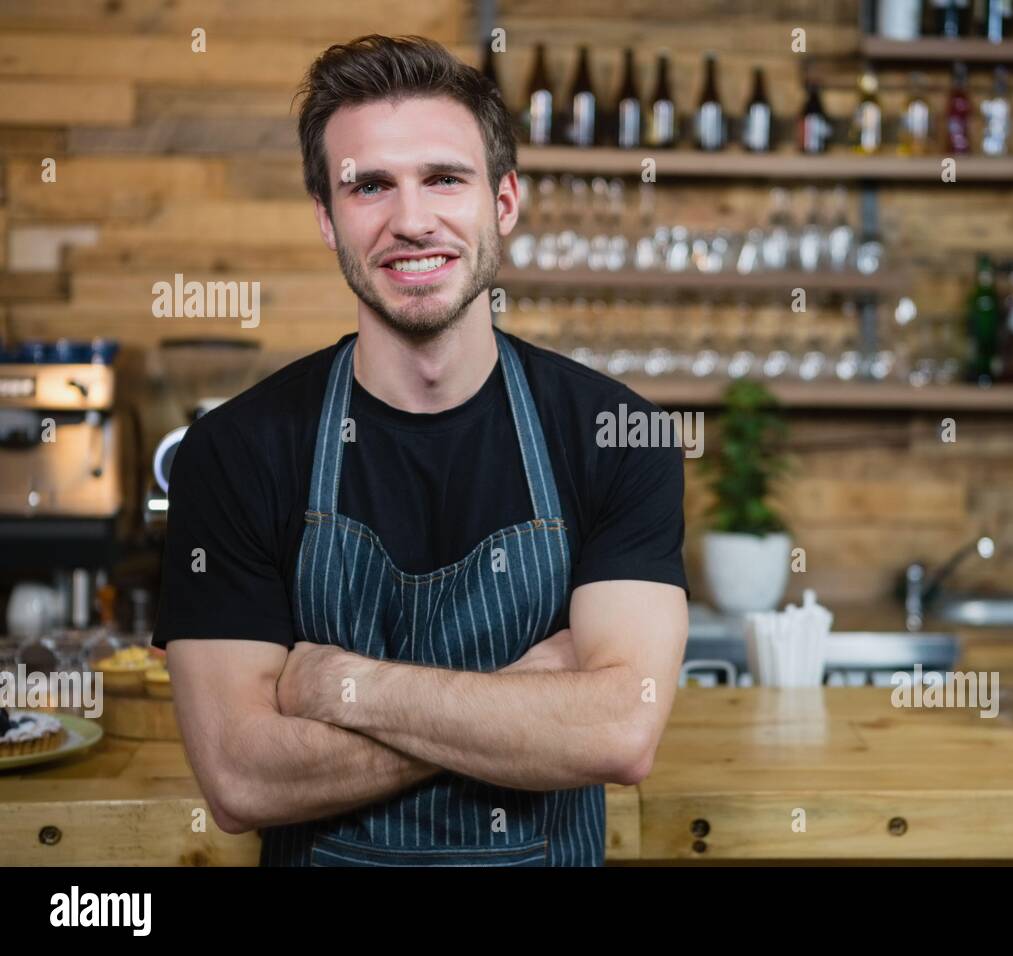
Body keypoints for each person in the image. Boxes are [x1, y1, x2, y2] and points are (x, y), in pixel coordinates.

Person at [153, 35, 689, 867]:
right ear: (327, 219)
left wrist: (338, 686)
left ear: (504, 202)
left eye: (445, 177)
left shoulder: (616, 436)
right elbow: (241, 781)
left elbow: (620, 731)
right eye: (370, 186)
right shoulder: (235, 450)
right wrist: (532, 701)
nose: (410, 220)